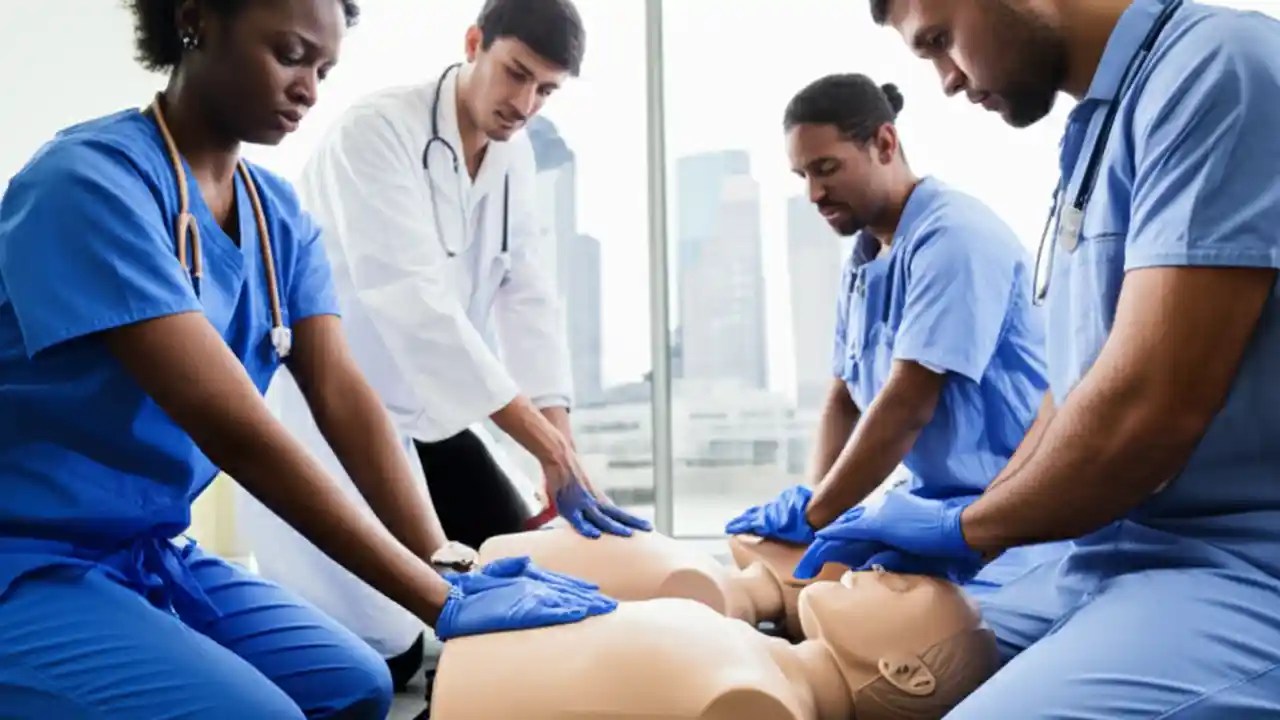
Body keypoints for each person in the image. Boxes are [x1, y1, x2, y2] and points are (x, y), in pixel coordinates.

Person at [0, 1, 617, 718]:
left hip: (145, 551)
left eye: (324, 69)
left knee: (354, 685)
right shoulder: (88, 185)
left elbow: (341, 390)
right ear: (195, 20)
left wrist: (445, 559)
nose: (310, 90)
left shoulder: (276, 215)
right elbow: (232, 427)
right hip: (26, 559)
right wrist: (435, 597)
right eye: (291, 56)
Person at [799, 0, 1280, 716]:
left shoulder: (1220, 70)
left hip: (1240, 571)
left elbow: (1145, 414)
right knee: (863, 672)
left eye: (940, 42)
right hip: (1098, 555)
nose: (948, 81)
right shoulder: (1095, 137)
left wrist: (966, 528)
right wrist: (980, 535)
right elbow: (1073, 389)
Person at [237, 0, 651, 688]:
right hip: (326, 419)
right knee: (384, 658)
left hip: (426, 413)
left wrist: (562, 445)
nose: (524, 104)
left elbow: (531, 298)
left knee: (516, 562)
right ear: (473, 43)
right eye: (515, 74)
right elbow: (414, 307)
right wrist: (541, 446)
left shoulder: (513, 160)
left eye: (545, 90)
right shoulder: (376, 133)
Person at [724, 74, 1066, 592]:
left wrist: (817, 515)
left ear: (885, 144)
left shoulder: (953, 237)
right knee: (789, 591)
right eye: (802, 176)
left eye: (827, 168)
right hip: (935, 509)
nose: (815, 193)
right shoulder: (865, 258)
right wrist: (817, 512)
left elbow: (907, 405)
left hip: (1013, 522)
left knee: (895, 643)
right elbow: (843, 401)